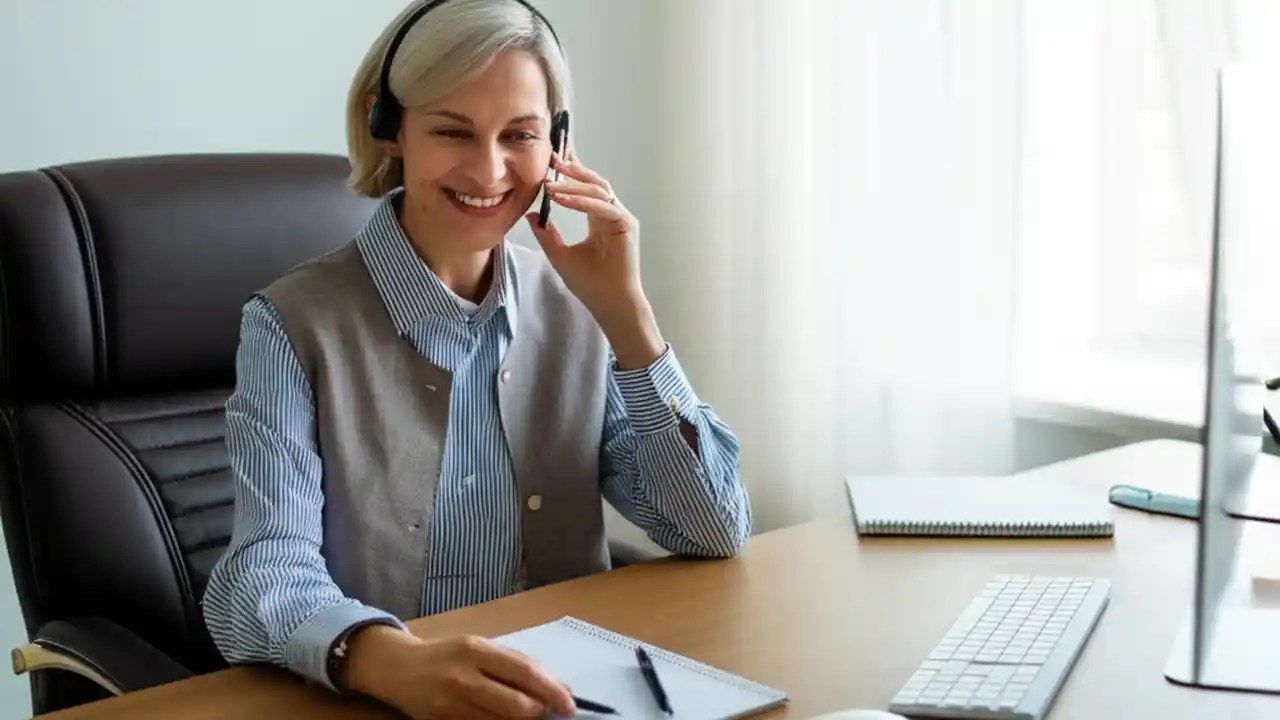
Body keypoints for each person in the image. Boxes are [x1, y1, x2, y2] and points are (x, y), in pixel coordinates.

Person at [201, 1, 752, 718]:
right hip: (383, 703)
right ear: (387, 125)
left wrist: (629, 317)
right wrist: (391, 661)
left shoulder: (579, 307)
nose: (490, 171)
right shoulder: (289, 324)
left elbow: (710, 529)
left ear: (557, 141)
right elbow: (260, 572)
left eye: (519, 135)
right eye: (452, 131)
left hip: (565, 700)